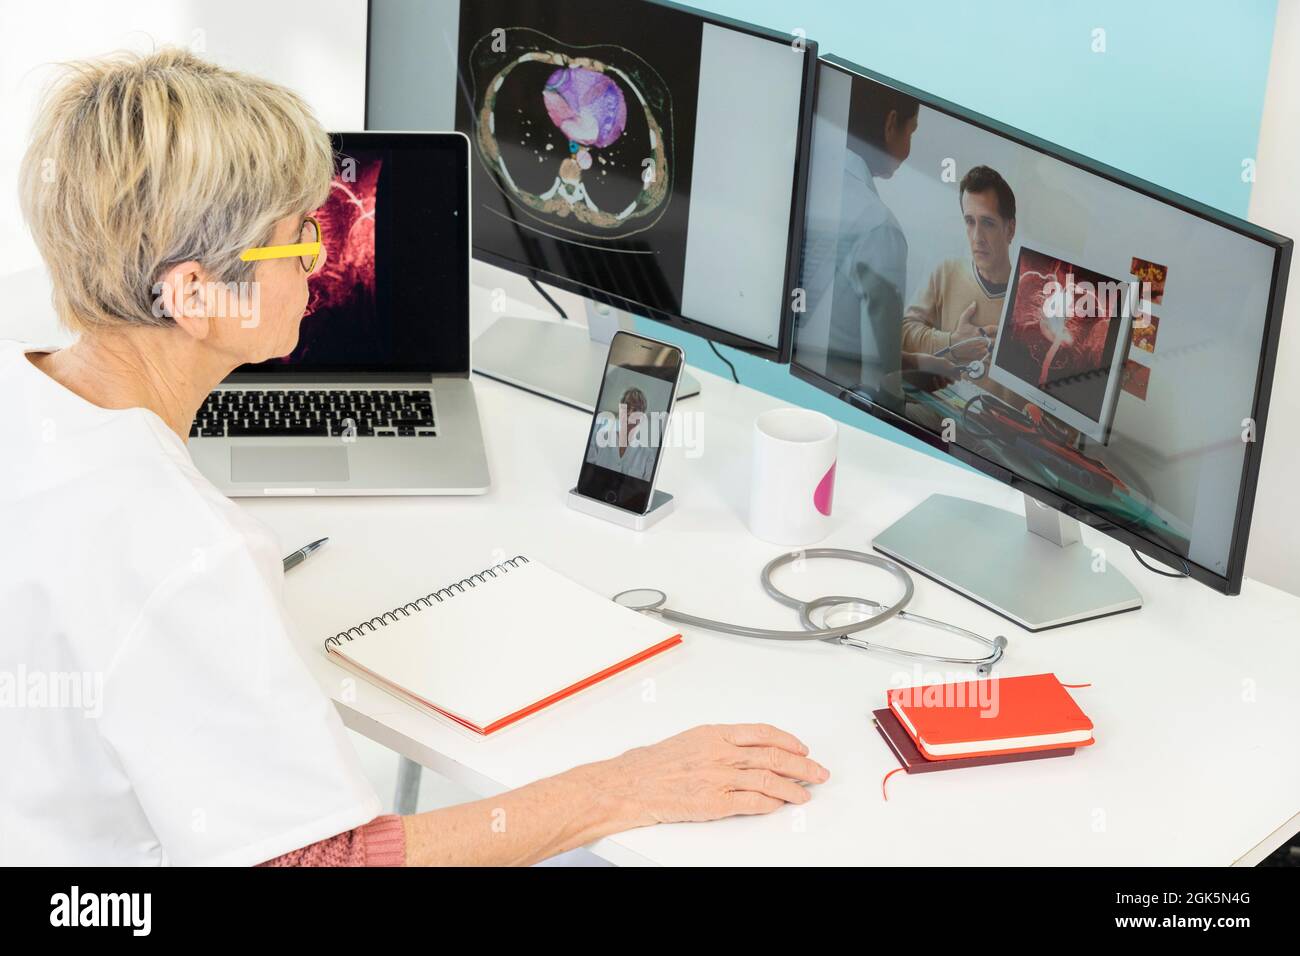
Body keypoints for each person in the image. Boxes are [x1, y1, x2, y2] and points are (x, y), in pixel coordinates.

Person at [0, 49, 828, 867]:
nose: (319, 268)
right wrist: (621, 787)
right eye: (297, 243)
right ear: (190, 295)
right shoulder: (183, 552)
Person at [822, 80, 957, 407]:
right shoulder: (881, 229)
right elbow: (882, 393)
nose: (909, 148)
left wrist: (913, 364)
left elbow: (841, 337)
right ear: (890, 123)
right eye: (910, 132)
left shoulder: (818, 178)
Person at [585, 385, 659, 481]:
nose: (629, 413)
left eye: (636, 410)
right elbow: (587, 477)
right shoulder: (598, 438)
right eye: (627, 407)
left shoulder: (647, 456)